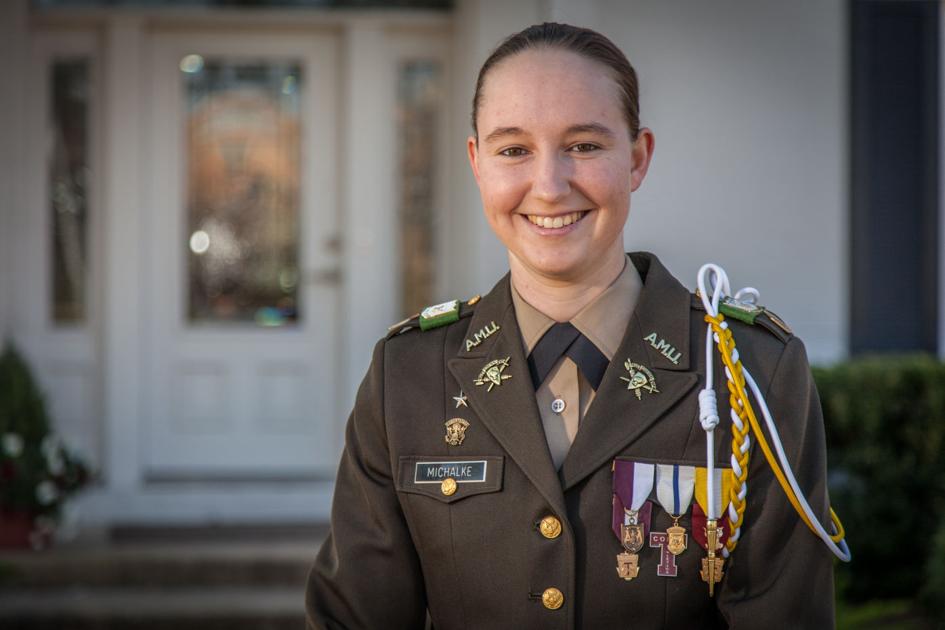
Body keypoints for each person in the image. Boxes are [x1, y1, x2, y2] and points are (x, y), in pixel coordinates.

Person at [306, 22, 841, 629]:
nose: (550, 186)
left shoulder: (750, 372)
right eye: (513, 150)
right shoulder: (406, 377)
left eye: (584, 146)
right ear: (477, 163)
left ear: (637, 158)